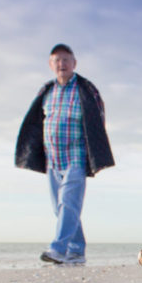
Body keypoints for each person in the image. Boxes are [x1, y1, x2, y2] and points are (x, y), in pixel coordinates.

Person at [15, 44, 114, 264]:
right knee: (60, 208)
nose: (62, 64)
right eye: (57, 60)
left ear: (74, 63)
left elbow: (98, 119)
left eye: (66, 59)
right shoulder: (47, 91)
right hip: (52, 158)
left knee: (68, 203)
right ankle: (76, 252)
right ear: (51, 64)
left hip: (76, 156)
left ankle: (58, 249)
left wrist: (95, 151)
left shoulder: (85, 89)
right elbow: (35, 123)